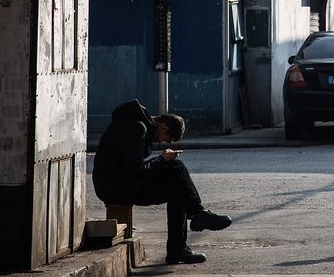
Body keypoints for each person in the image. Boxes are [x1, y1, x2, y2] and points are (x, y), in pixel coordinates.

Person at [93, 100, 232, 264]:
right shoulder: (136, 127)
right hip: (115, 188)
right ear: (164, 127)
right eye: (166, 139)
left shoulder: (135, 124)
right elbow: (135, 172)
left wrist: (163, 160)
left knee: (177, 183)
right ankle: (194, 220)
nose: (160, 142)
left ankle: (182, 243)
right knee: (177, 169)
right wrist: (162, 159)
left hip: (119, 183)